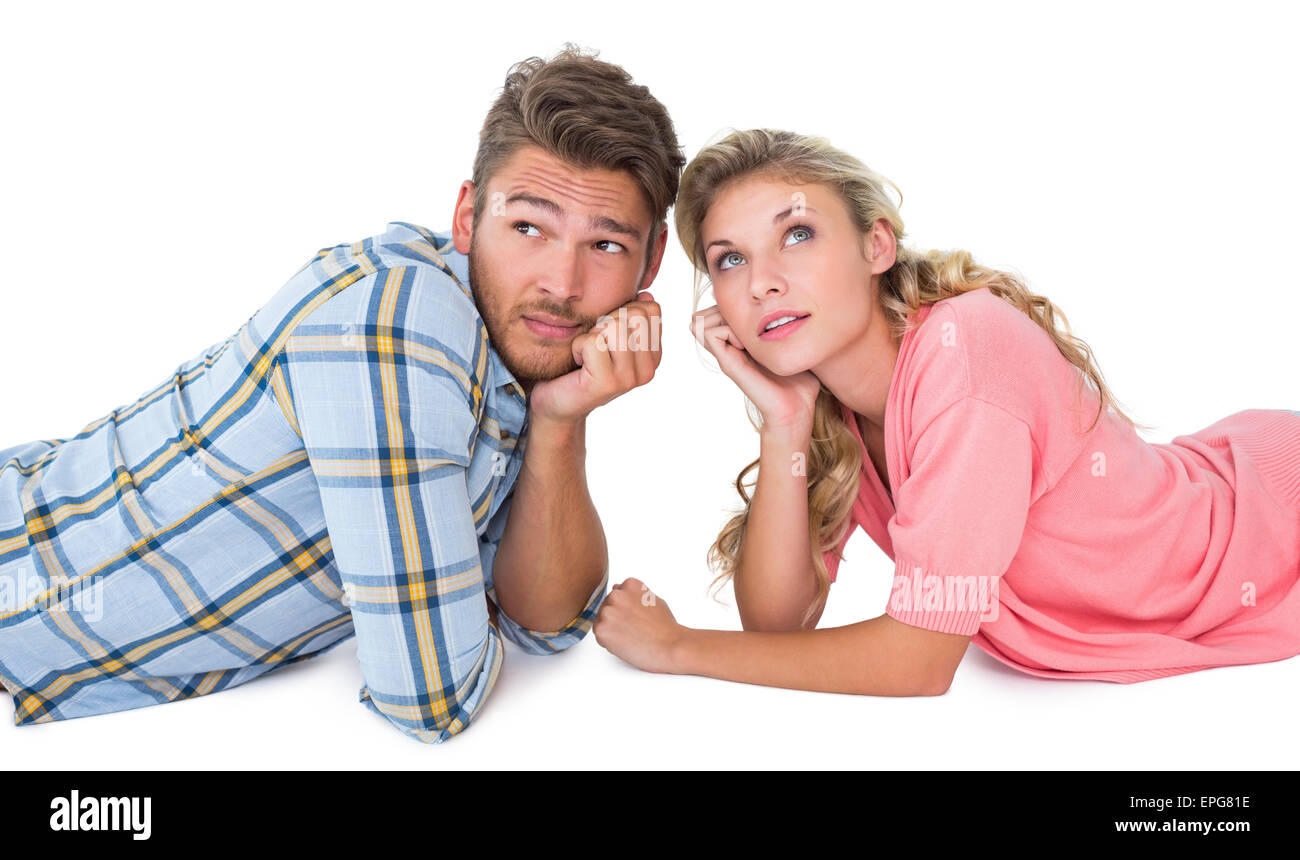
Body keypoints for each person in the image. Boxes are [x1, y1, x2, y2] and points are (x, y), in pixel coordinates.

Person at [0, 43, 684, 742]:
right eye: (528, 227)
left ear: (652, 260)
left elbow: (547, 621)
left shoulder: (503, 346)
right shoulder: (395, 329)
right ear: (466, 218)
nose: (562, 285)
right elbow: (431, 699)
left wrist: (560, 416)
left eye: (604, 246)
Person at [592, 127, 1300, 694]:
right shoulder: (833, 400)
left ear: (877, 245)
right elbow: (777, 624)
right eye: (729, 260)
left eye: (797, 234)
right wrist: (785, 422)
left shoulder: (964, 359)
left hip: (1266, 525)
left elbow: (919, 661)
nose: (764, 283)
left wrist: (679, 648)